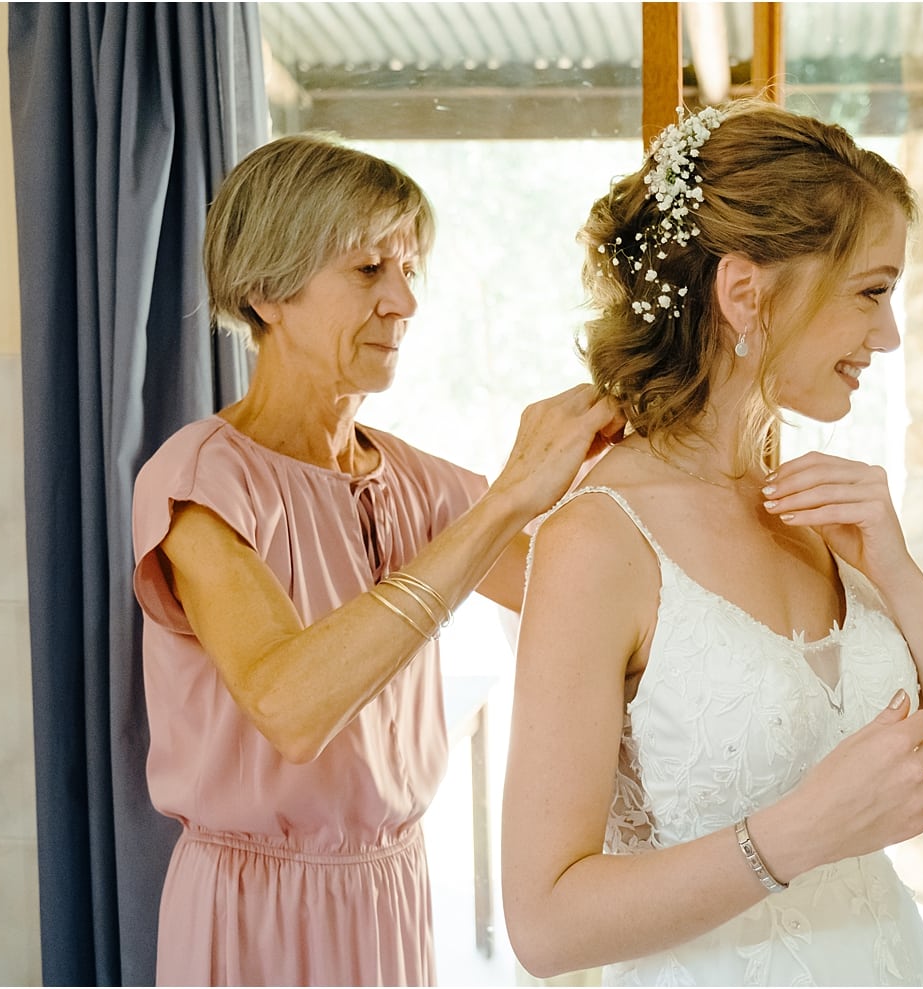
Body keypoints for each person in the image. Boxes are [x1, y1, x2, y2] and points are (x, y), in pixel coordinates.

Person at [501, 100, 923, 987]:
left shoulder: (824, 510)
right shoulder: (599, 539)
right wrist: (801, 832)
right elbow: (544, 923)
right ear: (746, 292)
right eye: (871, 291)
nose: (888, 334)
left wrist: (896, 573)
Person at [131, 132, 623, 986]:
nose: (404, 301)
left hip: (392, 893)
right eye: (367, 271)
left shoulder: (418, 482)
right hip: (251, 910)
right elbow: (290, 704)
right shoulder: (199, 483)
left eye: (409, 271)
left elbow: (589, 597)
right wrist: (508, 495)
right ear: (266, 291)